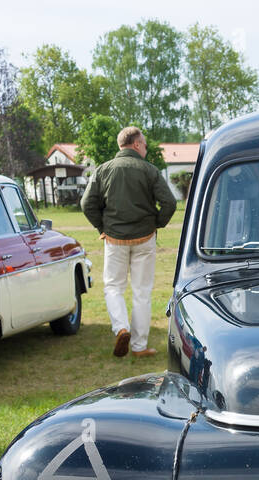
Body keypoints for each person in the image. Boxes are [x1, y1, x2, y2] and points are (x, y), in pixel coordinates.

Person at [81, 126, 176, 358]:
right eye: (144, 144)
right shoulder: (149, 170)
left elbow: (87, 204)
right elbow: (170, 203)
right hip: (145, 237)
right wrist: (157, 224)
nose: (145, 147)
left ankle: (121, 327)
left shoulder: (103, 170)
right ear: (135, 144)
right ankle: (139, 346)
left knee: (113, 287)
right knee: (142, 292)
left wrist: (102, 227)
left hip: (114, 239)